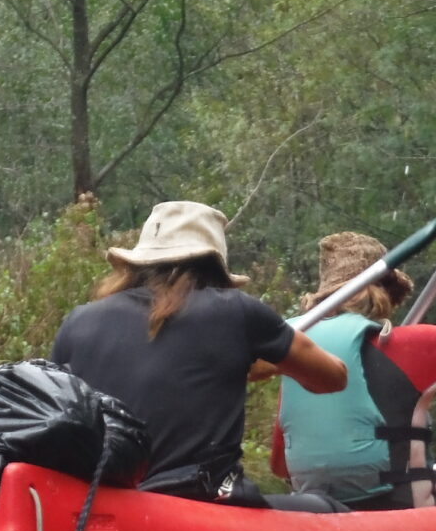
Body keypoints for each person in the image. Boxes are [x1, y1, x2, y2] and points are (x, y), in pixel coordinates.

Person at [51, 200, 350, 512]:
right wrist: (274, 365)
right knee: (331, 509)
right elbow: (333, 377)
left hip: (99, 507)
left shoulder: (78, 321)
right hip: (200, 507)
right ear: (215, 266)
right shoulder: (236, 310)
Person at [271, 209, 436, 509]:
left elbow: (280, 466)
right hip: (409, 521)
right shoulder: (412, 345)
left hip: (326, 519)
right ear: (384, 294)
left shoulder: (297, 359)